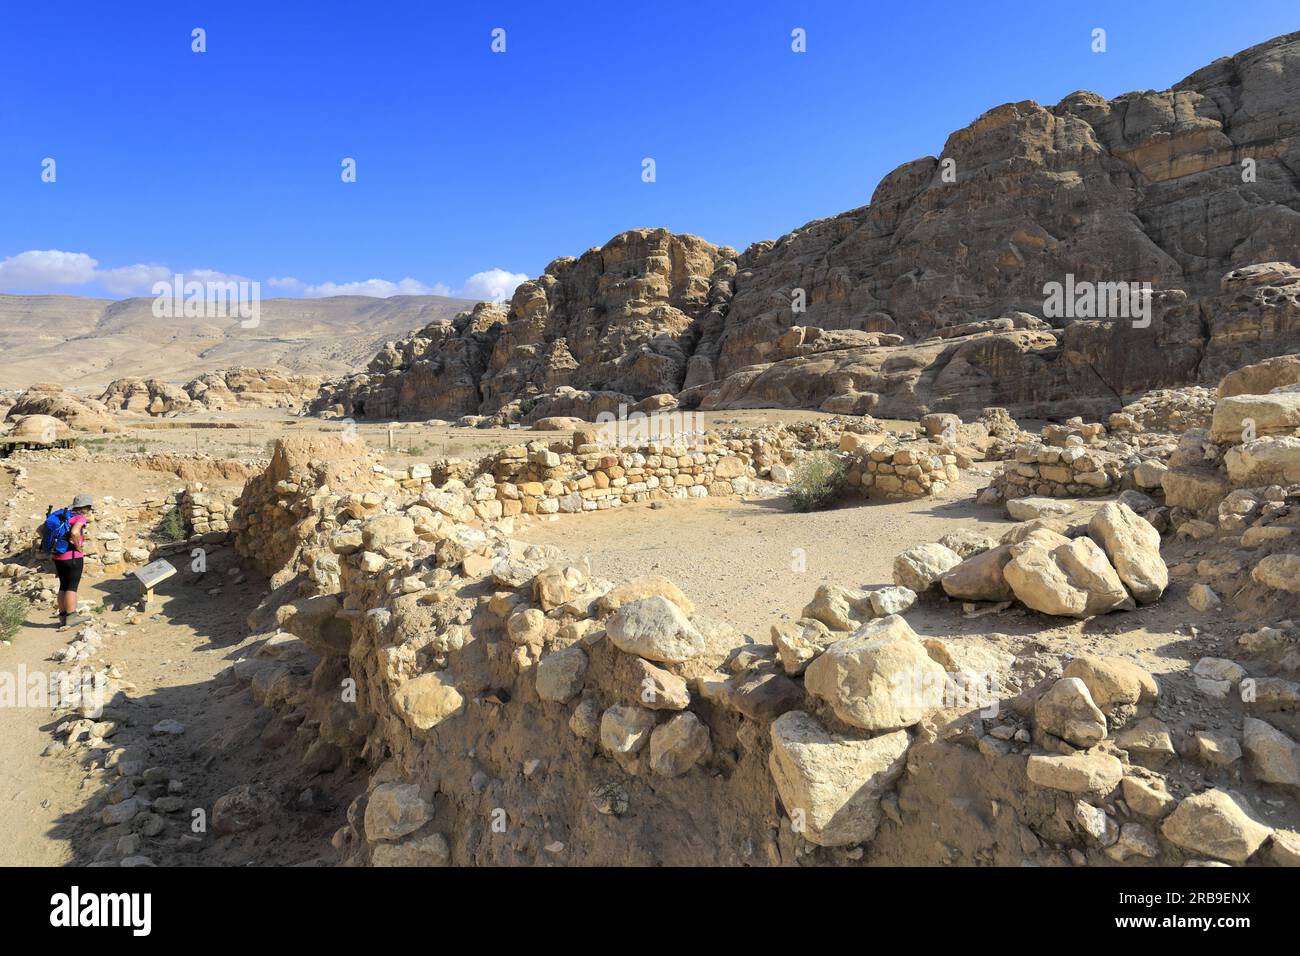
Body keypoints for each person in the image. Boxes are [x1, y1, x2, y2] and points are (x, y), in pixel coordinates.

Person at [53, 493, 93, 630]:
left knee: (63, 585)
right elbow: (75, 532)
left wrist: (53, 545)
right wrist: (78, 547)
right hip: (73, 556)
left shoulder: (62, 515)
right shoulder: (79, 517)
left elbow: (40, 529)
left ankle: (62, 616)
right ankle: (71, 616)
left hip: (58, 556)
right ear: (85, 507)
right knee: (72, 586)